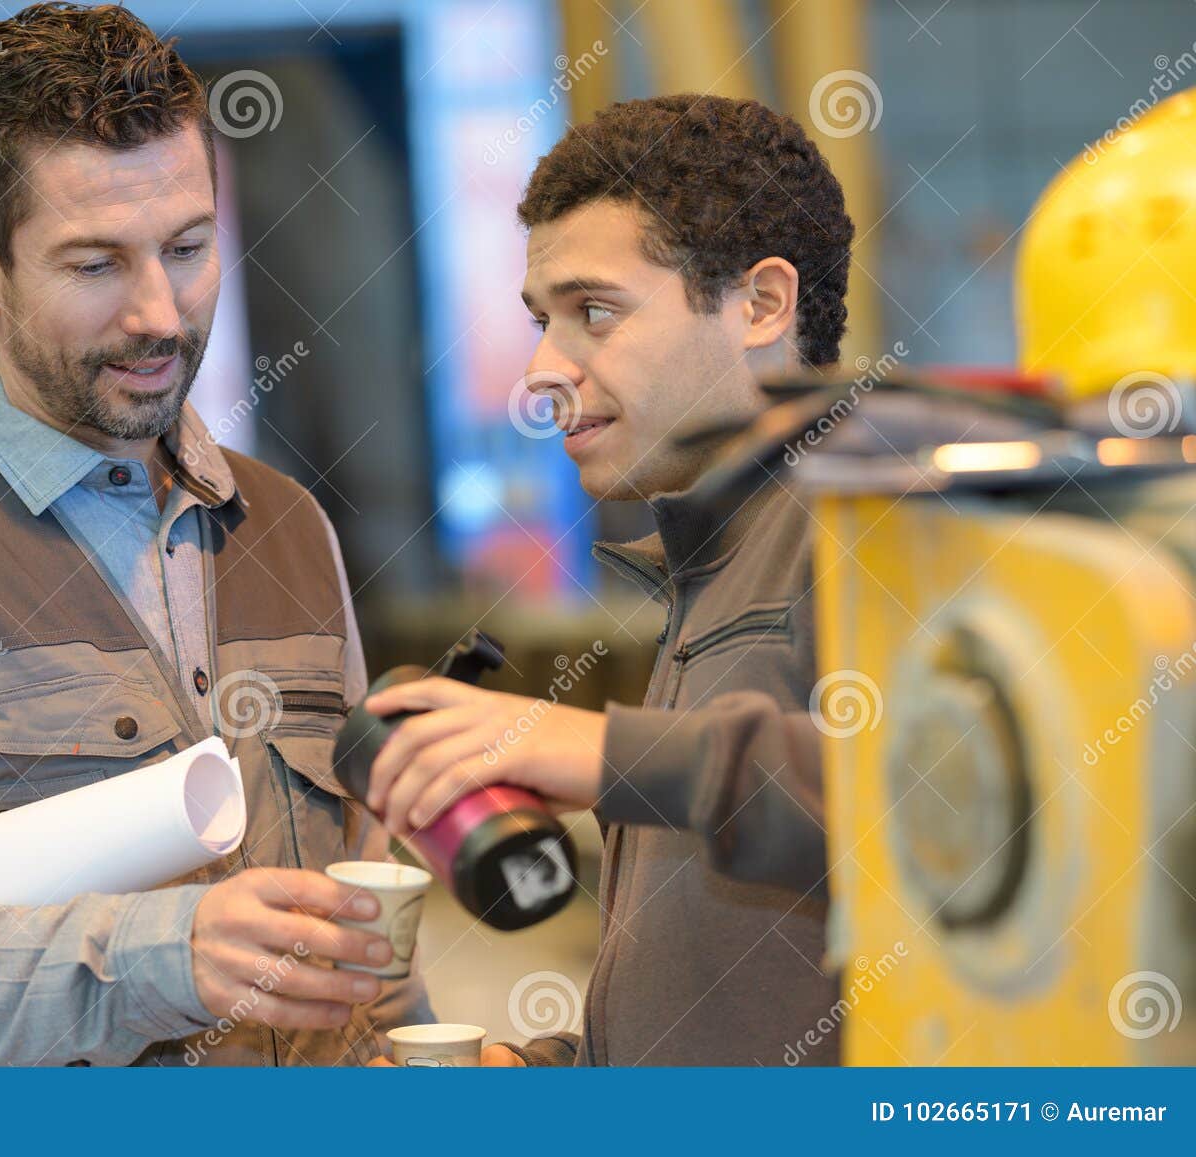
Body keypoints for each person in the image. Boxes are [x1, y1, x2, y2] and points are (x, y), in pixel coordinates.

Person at [0, 1, 429, 1067]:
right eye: (95, 264)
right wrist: (165, 955)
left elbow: (365, 911)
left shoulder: (290, 524)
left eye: (188, 247)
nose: (159, 311)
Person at [365, 94, 853, 1066]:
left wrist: (601, 752)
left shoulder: (879, 528)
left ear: (761, 304)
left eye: (595, 311)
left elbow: (948, 802)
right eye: (542, 321)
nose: (543, 370)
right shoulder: (707, 568)